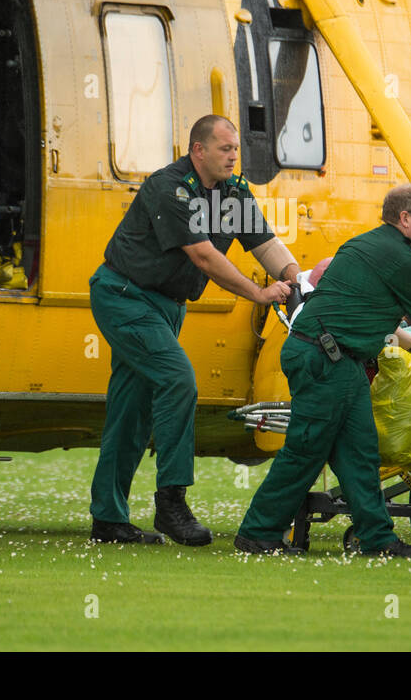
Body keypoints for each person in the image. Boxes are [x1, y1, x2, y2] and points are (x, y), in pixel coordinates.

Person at [88, 115, 299, 545]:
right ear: (198, 150)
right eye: (225, 149)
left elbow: (265, 243)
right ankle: (172, 502)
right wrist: (257, 295)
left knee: (130, 412)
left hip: (165, 306)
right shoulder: (169, 187)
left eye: (236, 148)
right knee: (178, 379)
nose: (234, 155)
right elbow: (203, 257)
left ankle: (108, 520)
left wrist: (295, 279)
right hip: (125, 296)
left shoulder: (234, 192)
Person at [235, 183, 411, 557]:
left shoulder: (365, 245)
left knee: (359, 452)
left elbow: (366, 313)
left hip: (332, 358)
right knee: (305, 449)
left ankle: (377, 539)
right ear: (405, 218)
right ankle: (257, 532)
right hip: (326, 359)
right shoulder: (404, 258)